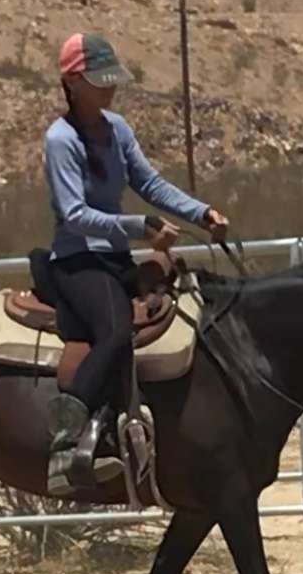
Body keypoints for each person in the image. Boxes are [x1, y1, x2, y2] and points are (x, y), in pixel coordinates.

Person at [42, 32, 228, 496]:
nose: (110, 89)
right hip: (78, 260)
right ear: (73, 82)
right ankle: (67, 432)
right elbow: (75, 214)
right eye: (99, 80)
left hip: (115, 257)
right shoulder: (61, 140)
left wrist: (200, 213)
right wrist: (141, 227)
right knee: (116, 331)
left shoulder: (118, 129)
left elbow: (150, 182)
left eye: (110, 80)